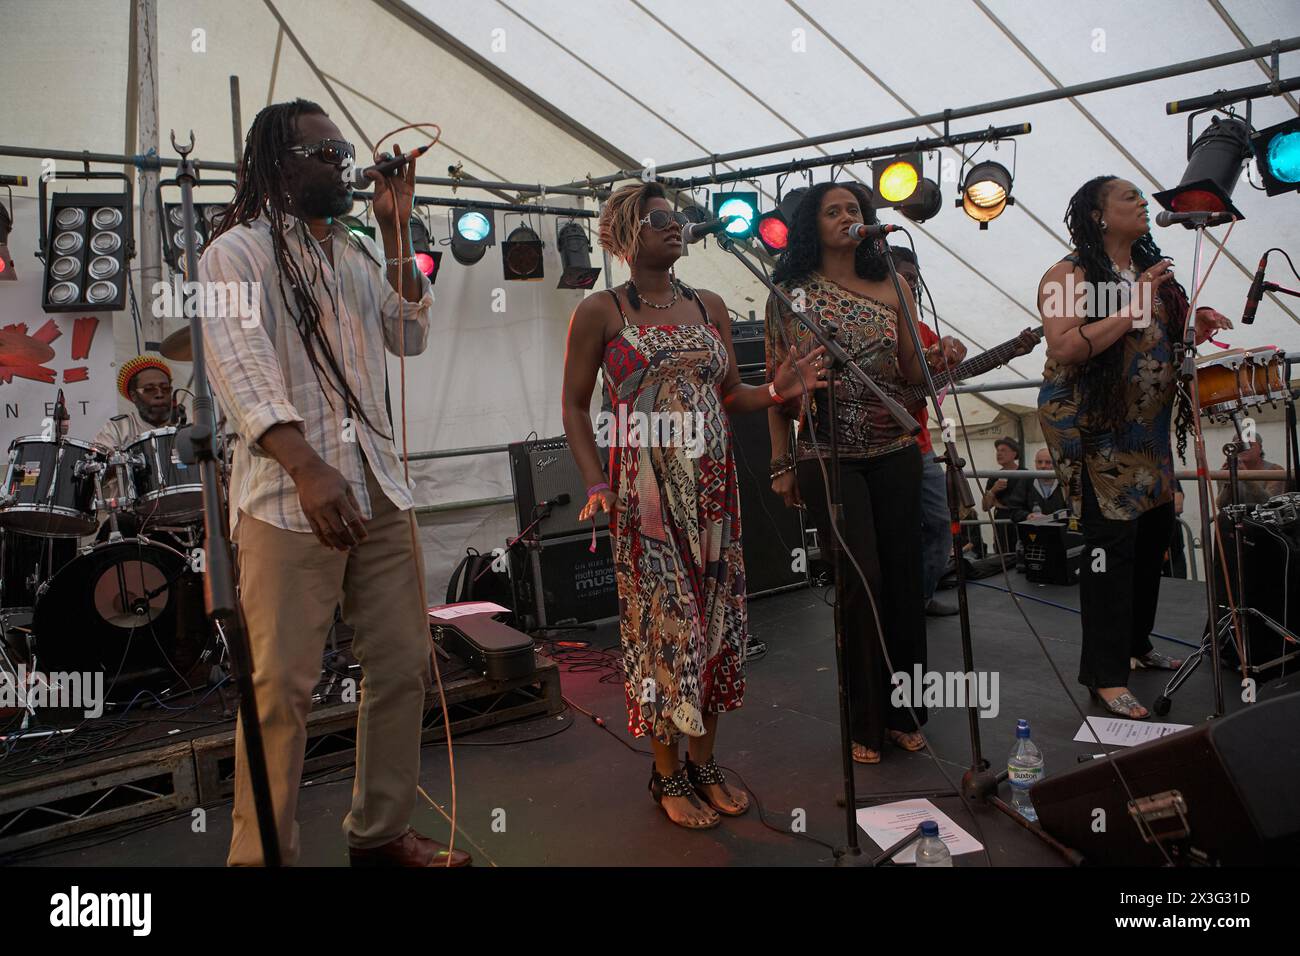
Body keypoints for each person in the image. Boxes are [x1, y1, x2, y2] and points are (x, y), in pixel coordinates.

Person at [197, 99, 459, 866]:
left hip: (377, 487)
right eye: (322, 152)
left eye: (343, 149)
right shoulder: (234, 254)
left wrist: (394, 229)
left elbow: (408, 334)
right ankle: (261, 857)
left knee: (405, 664)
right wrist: (307, 467)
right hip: (288, 501)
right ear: (275, 167)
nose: (342, 162)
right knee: (279, 690)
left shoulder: (351, 255)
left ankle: (379, 835)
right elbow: (239, 367)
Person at [561, 182, 826, 830]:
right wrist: (596, 483)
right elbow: (573, 404)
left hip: (713, 490)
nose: (674, 227)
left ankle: (705, 765)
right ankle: (666, 771)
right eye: (658, 219)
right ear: (627, 232)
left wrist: (775, 392)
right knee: (665, 635)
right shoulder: (601, 311)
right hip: (645, 497)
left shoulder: (706, 304)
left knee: (716, 630)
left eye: (678, 219)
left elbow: (731, 392)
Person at [766, 181, 961, 765]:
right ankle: (864, 719)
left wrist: (938, 358)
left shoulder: (893, 284)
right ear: (813, 227)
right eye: (834, 211)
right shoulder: (791, 293)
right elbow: (780, 388)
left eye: (855, 208)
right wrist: (781, 462)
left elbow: (907, 369)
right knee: (861, 583)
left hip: (896, 449)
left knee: (904, 581)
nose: (848, 216)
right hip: (829, 455)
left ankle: (905, 713)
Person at [1036, 175, 1232, 719]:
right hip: (1091, 426)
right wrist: (1133, 306)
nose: (1144, 205)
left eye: (1143, 199)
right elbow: (1066, 345)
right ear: (1098, 214)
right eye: (1129, 198)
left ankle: (1136, 644)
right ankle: (1104, 675)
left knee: (1154, 533)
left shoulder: (1151, 275)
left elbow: (1159, 333)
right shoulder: (1068, 274)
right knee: (1110, 548)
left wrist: (1196, 321)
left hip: (1146, 428)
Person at [890, 245, 968, 617]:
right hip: (880, 445)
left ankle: (921, 596)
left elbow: (932, 389)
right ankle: (896, 603)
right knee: (894, 530)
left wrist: (950, 360)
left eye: (913, 277)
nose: (910, 283)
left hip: (918, 442)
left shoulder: (922, 330)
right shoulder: (872, 320)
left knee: (938, 522)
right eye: (902, 275)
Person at [981, 436, 1031, 552]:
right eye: (997, 450)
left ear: (1014, 454)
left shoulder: (1025, 474)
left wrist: (1000, 503)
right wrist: (993, 490)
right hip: (1002, 525)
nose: (999, 453)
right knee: (1002, 552)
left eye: (1003, 450)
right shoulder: (994, 477)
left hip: (1021, 521)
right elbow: (985, 507)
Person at [1215, 436, 1286, 508]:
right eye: (1240, 446)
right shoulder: (1225, 472)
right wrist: (1228, 483)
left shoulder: (1275, 470)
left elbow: (1271, 504)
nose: (1244, 449)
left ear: (1260, 449)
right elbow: (1221, 506)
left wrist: (1246, 477)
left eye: (1249, 445)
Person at [1027, 447, 1067, 515]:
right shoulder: (1026, 482)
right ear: (1035, 463)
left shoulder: (1065, 483)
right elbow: (1015, 509)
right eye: (1039, 462)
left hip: (1060, 525)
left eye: (1048, 462)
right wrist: (1027, 516)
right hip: (1033, 525)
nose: (1043, 466)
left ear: (1056, 463)